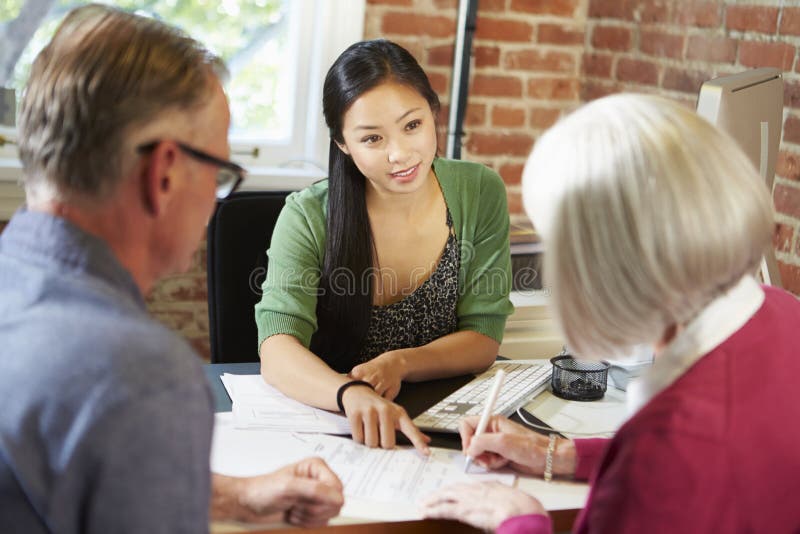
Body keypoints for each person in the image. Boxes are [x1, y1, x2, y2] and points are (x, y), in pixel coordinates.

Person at [0, 5, 343, 533]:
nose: (216, 197)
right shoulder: (140, 374)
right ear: (163, 173)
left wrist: (236, 496)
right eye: (219, 173)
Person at [421, 94, 800, 532]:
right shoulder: (781, 310)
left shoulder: (668, 451)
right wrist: (559, 454)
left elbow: (671, 467)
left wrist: (520, 520)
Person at [255, 39, 514, 452]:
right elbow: (277, 347)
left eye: (412, 125)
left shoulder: (478, 191)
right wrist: (348, 394)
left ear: (433, 113)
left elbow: (482, 335)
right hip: (334, 425)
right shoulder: (305, 215)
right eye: (372, 139)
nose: (400, 154)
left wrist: (403, 362)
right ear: (343, 144)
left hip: (442, 428)